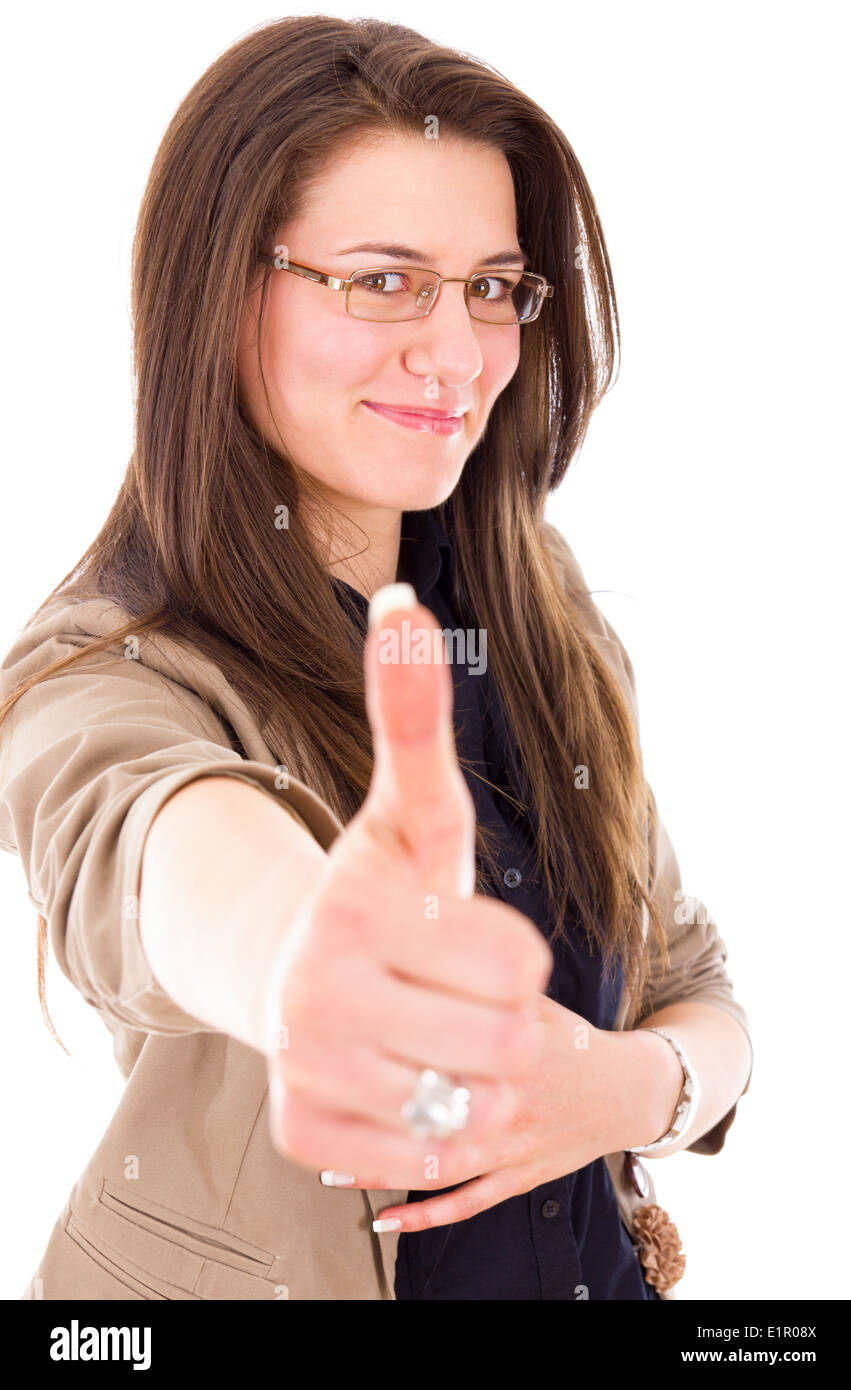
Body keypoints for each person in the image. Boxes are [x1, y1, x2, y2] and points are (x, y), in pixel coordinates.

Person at [0, 15, 751, 1301]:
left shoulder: (541, 614)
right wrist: (309, 960)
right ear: (222, 292)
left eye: (490, 285)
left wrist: (620, 1090)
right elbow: (154, 841)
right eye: (382, 279)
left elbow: (693, 987)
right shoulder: (105, 671)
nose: (457, 354)